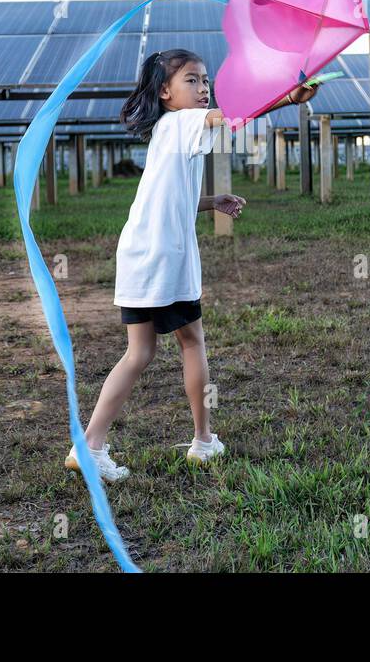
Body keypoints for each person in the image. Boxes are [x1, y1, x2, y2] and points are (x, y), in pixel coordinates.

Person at [65, 48, 316, 481]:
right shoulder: (182, 122)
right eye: (192, 81)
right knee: (192, 342)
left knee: (139, 353)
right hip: (166, 256)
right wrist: (286, 97)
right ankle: (203, 442)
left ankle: (89, 445)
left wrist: (211, 201)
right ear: (165, 92)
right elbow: (234, 115)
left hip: (140, 254)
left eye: (205, 81)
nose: (204, 89)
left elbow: (171, 196)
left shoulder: (169, 130)